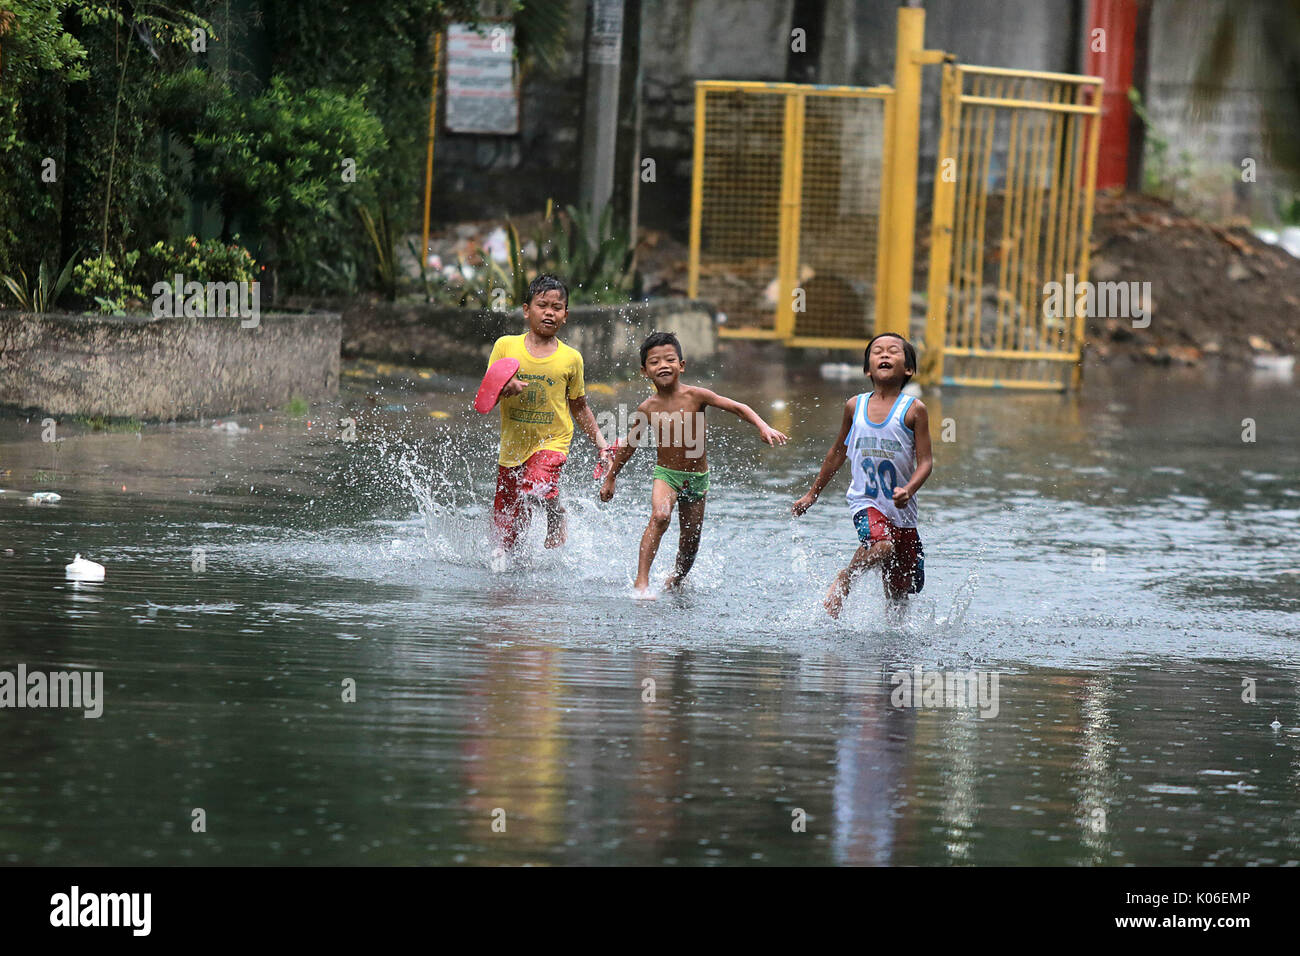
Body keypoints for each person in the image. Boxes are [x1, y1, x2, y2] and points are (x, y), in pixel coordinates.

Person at [600, 331, 788, 596]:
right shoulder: (647, 408)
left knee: (690, 544)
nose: (663, 366)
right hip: (666, 475)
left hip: (697, 479)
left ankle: (676, 580)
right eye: (654, 362)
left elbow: (737, 407)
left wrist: (762, 425)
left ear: (682, 365)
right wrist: (611, 476)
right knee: (660, 516)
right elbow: (630, 444)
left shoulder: (696, 396)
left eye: (669, 360)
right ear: (645, 371)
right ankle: (641, 582)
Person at [792, 332, 932, 618]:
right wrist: (811, 494)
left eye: (893, 351)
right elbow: (836, 453)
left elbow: (926, 462)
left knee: (899, 598)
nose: (884, 355)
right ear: (868, 369)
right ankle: (847, 578)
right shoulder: (855, 406)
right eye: (877, 351)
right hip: (865, 501)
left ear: (908, 369)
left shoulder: (914, 410)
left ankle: (891, 658)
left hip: (903, 512)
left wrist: (909, 490)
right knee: (881, 545)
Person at [486, 274, 611, 557]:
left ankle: (557, 515)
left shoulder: (571, 358)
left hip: (553, 441)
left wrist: (602, 445)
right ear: (527, 309)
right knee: (506, 532)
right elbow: (486, 394)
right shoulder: (506, 346)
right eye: (542, 305)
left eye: (557, 307)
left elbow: (579, 406)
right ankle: (510, 568)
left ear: (565, 315)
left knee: (537, 485)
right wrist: (506, 385)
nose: (549, 312)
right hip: (512, 446)